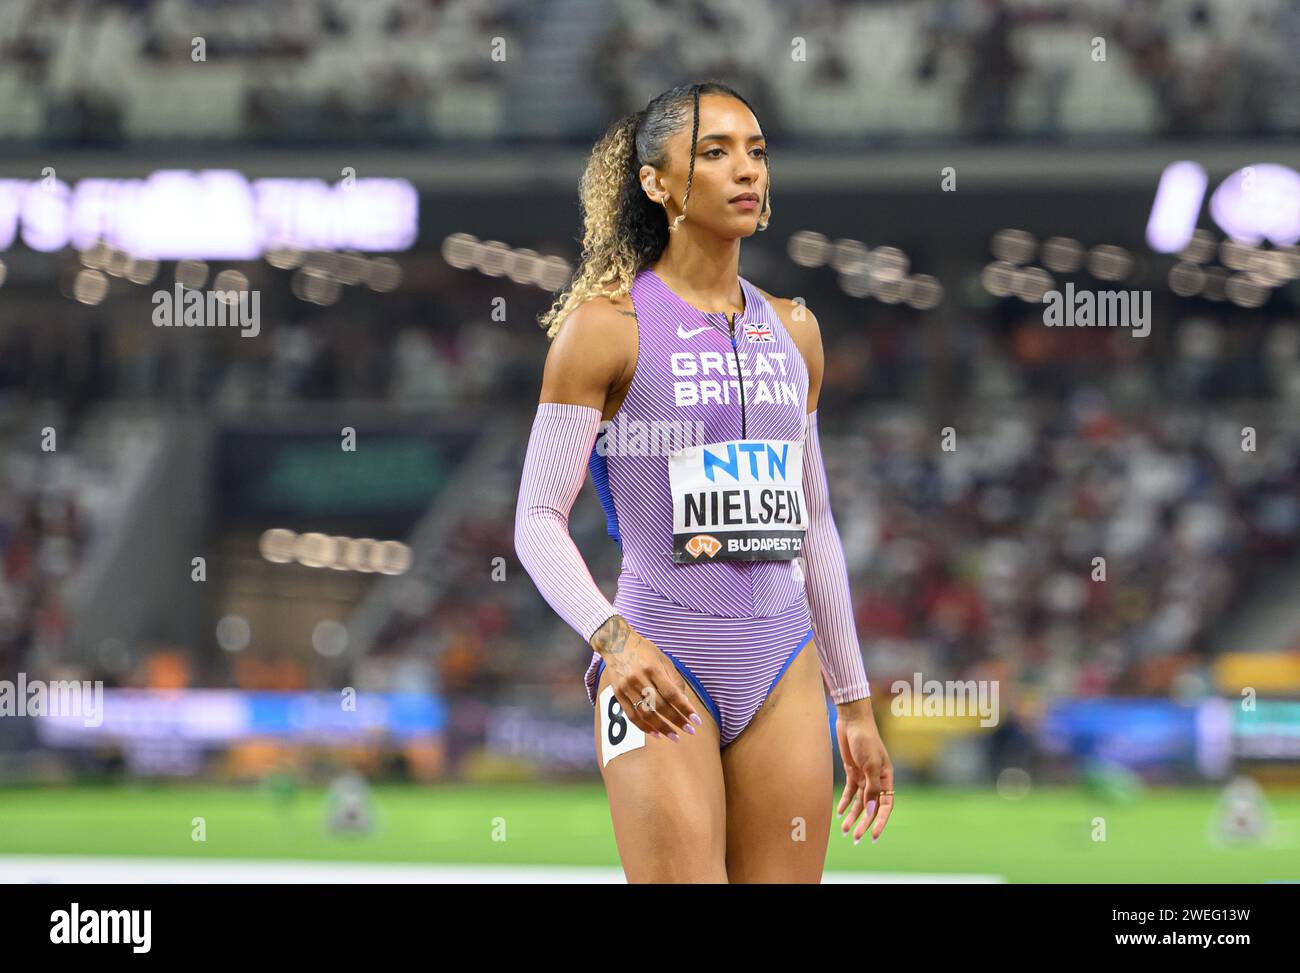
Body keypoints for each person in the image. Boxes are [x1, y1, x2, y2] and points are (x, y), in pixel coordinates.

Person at [514, 81, 892, 883]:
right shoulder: (605, 326)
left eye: (756, 152)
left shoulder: (795, 329)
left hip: (784, 663)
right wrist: (611, 638)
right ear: (656, 182)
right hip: (659, 660)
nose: (746, 171)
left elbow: (815, 524)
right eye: (715, 153)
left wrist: (854, 704)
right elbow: (538, 518)